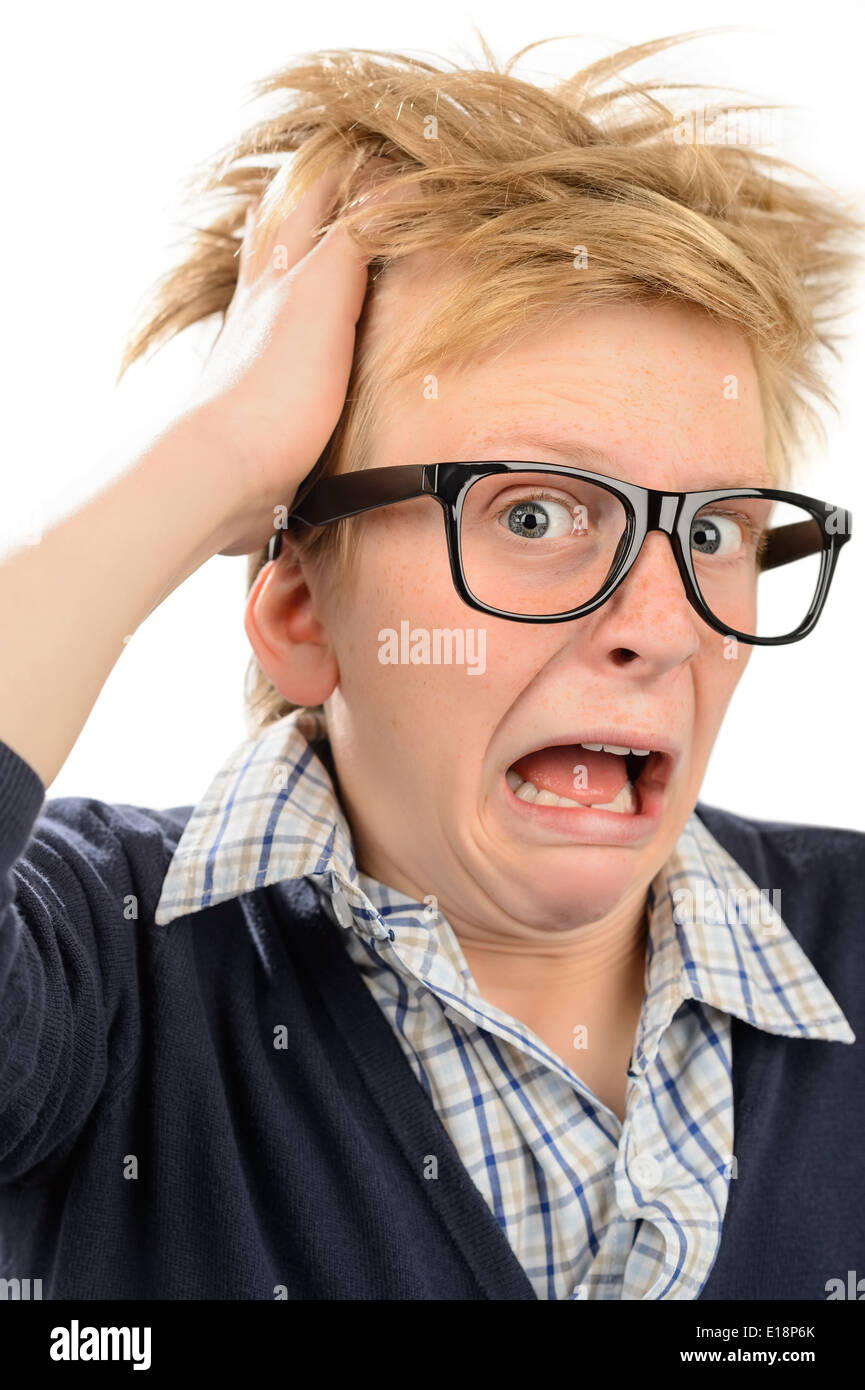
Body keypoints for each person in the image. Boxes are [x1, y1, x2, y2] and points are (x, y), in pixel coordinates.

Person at [1, 30, 863, 1302]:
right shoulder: (101, 968)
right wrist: (217, 452)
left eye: (715, 530)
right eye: (530, 513)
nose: (663, 624)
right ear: (299, 609)